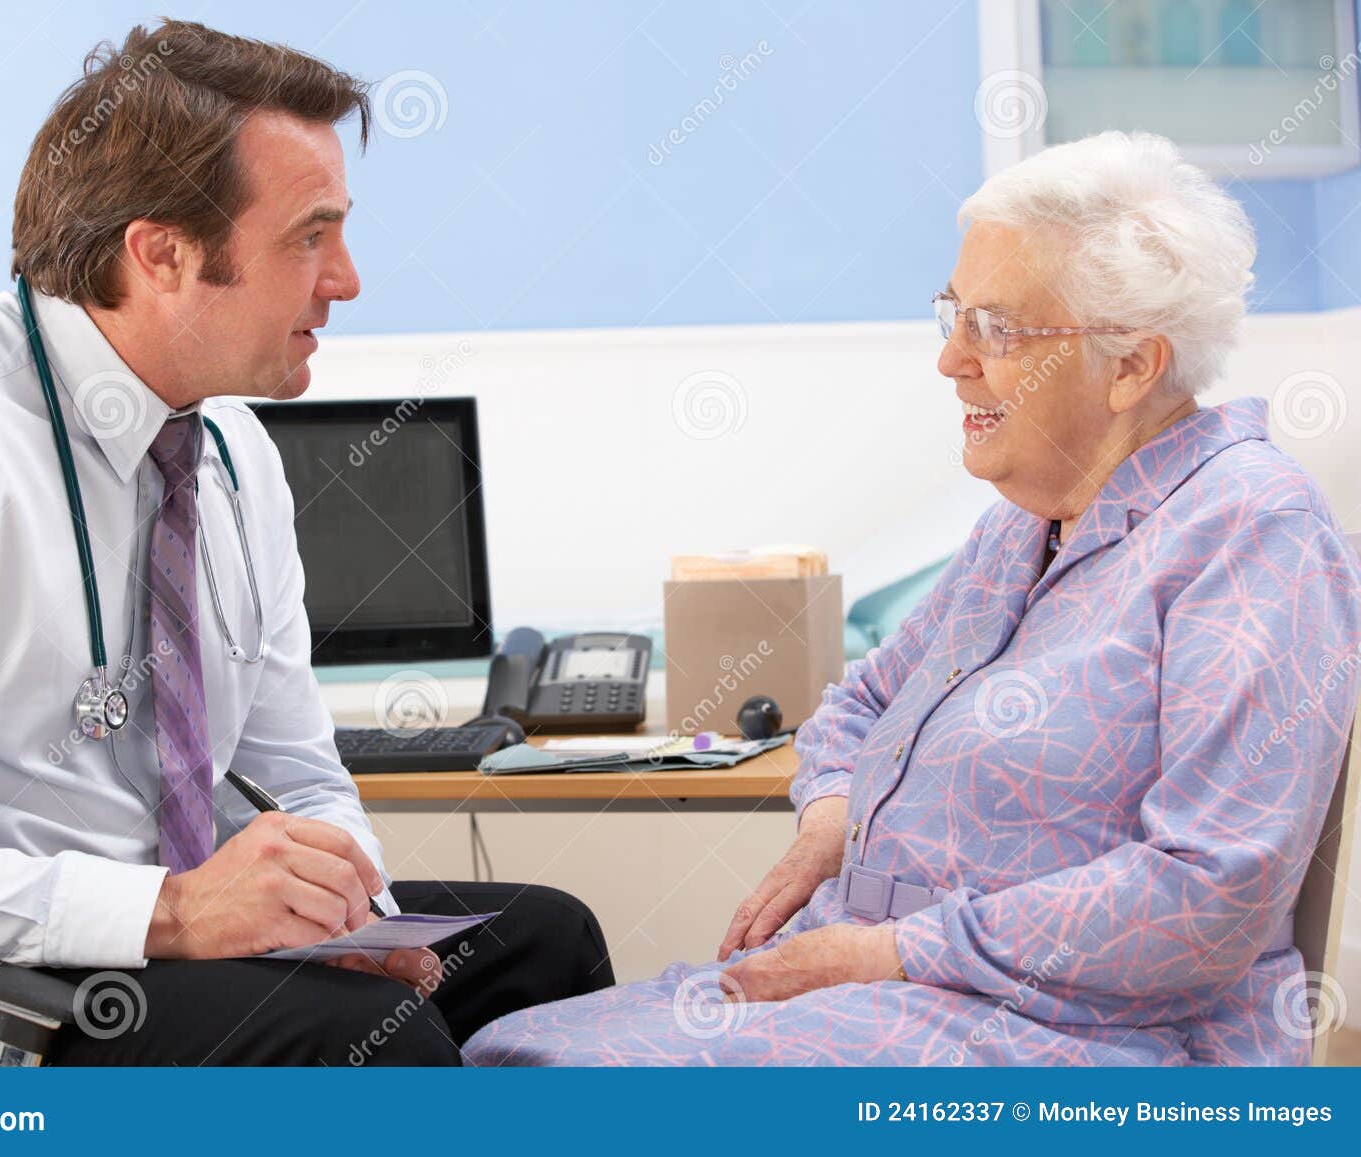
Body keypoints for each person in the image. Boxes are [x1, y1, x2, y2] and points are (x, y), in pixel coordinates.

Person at [0, 20, 610, 1066]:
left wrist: (359, 911)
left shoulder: (230, 449)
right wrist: (163, 911)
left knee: (545, 943)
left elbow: (298, 773)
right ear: (161, 252)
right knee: (354, 1045)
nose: (344, 279)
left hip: (153, 934)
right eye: (310, 235)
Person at [464, 131, 1361, 1066]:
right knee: (504, 1049)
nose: (952, 361)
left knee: (557, 1087)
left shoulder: (1254, 531)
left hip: (1092, 1037)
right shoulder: (1022, 527)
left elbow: (1210, 892)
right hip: (897, 995)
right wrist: (831, 819)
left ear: (1131, 365)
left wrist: (888, 950)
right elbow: (860, 701)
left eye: (999, 329)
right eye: (955, 315)